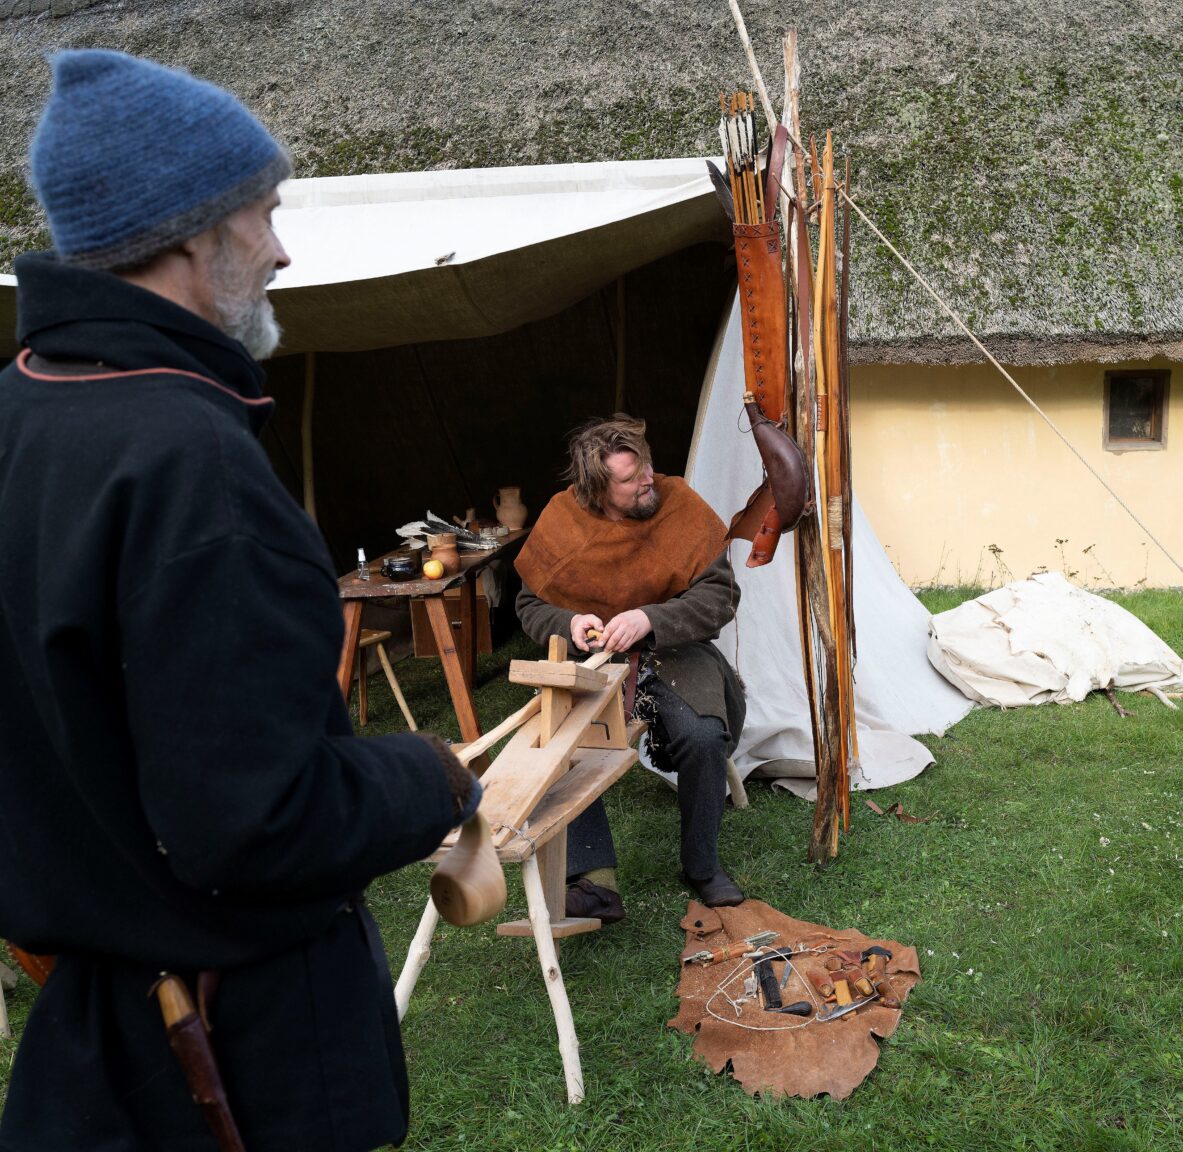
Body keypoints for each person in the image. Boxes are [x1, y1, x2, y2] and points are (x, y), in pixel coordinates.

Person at [0, 51, 481, 1151]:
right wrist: (430, 775)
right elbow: (256, 826)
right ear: (187, 233)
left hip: (96, 1044)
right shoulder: (189, 466)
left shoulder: (18, 414)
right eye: (262, 213)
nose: (279, 246)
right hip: (231, 1051)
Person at [514, 414, 747, 920]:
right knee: (557, 743)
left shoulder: (678, 503)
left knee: (705, 736)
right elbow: (529, 606)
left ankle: (702, 866)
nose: (647, 480)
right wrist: (570, 623)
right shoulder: (562, 519)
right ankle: (594, 879)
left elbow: (721, 594)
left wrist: (650, 617)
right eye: (629, 478)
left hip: (673, 650)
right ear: (597, 490)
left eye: (645, 466)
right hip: (593, 660)